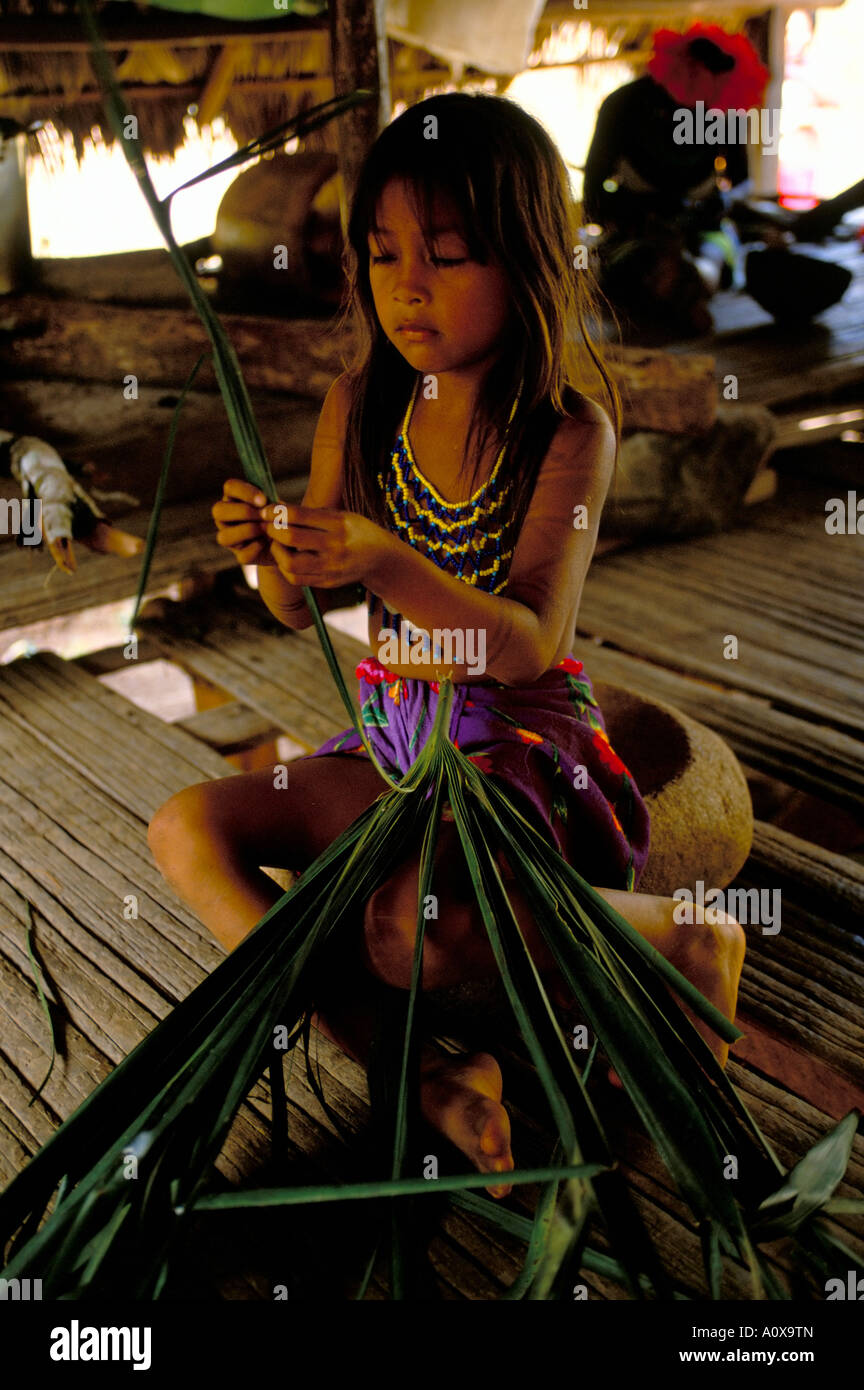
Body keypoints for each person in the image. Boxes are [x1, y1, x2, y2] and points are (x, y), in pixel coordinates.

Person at [147, 93, 745, 1198]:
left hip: (513, 748)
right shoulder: (357, 404)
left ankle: (680, 936)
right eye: (382, 255)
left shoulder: (567, 426)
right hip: (392, 741)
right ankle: (422, 1067)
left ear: (525, 264)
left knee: (401, 932)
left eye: (451, 254)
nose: (407, 285)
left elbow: (528, 644)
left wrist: (380, 560)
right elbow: (290, 605)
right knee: (189, 828)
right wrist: (266, 552)